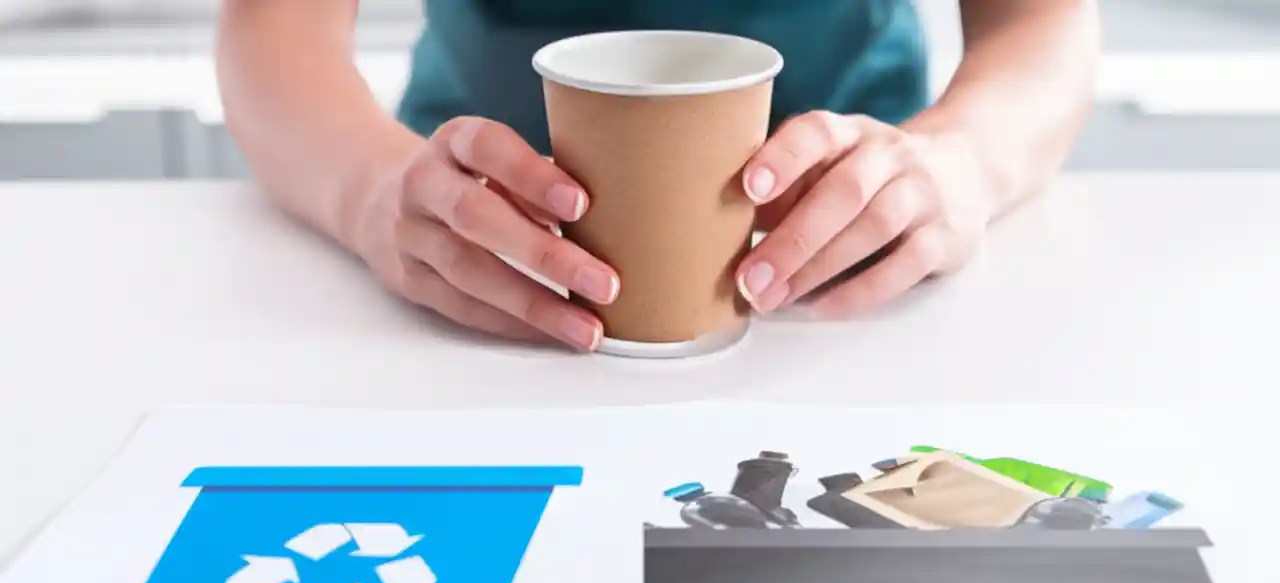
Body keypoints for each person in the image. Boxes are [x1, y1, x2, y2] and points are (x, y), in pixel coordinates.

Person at [217, 1, 1099, 352]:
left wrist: (962, 158)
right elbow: (272, 26)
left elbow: (1042, 22)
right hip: (462, 261)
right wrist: (374, 192)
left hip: (855, 279)